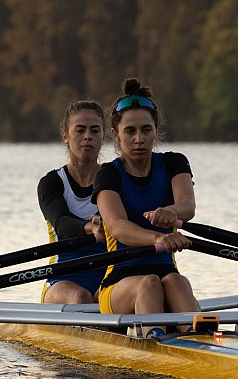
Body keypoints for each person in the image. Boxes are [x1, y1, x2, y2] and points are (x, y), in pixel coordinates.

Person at [93, 78, 200, 316]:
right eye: (130, 131)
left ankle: (201, 335)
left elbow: (187, 206)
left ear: (156, 130)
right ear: (116, 134)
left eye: (146, 130)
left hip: (166, 273)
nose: (139, 139)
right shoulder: (108, 174)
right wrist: (158, 238)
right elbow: (118, 227)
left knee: (178, 281)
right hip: (119, 282)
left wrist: (172, 211)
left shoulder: (174, 163)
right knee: (149, 283)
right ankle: (156, 334)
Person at [36, 100, 108, 304]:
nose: (88, 136)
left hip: (109, 274)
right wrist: (90, 227)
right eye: (80, 130)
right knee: (81, 297)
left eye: (95, 130)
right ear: (65, 135)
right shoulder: (52, 182)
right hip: (62, 278)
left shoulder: (114, 178)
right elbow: (62, 223)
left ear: (103, 137)